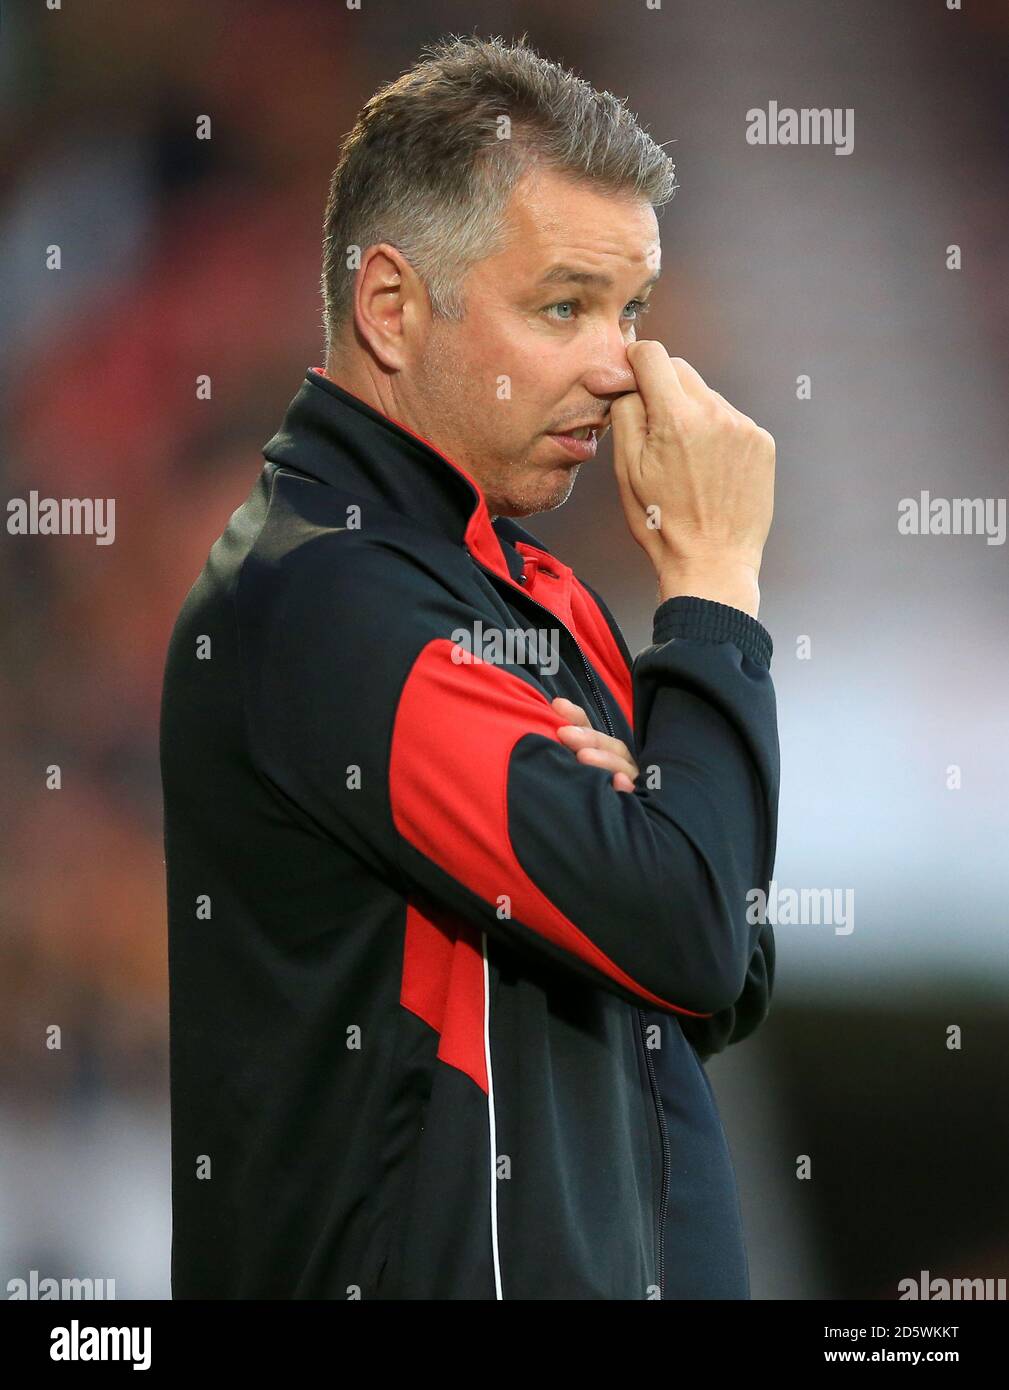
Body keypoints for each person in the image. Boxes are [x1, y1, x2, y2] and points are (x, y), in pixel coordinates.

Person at [160, 33, 778, 1300]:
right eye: (563, 306)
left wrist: (659, 859)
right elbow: (690, 930)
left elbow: (721, 967)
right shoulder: (324, 599)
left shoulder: (528, 586)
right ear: (391, 308)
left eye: (632, 312)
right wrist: (713, 590)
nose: (619, 368)